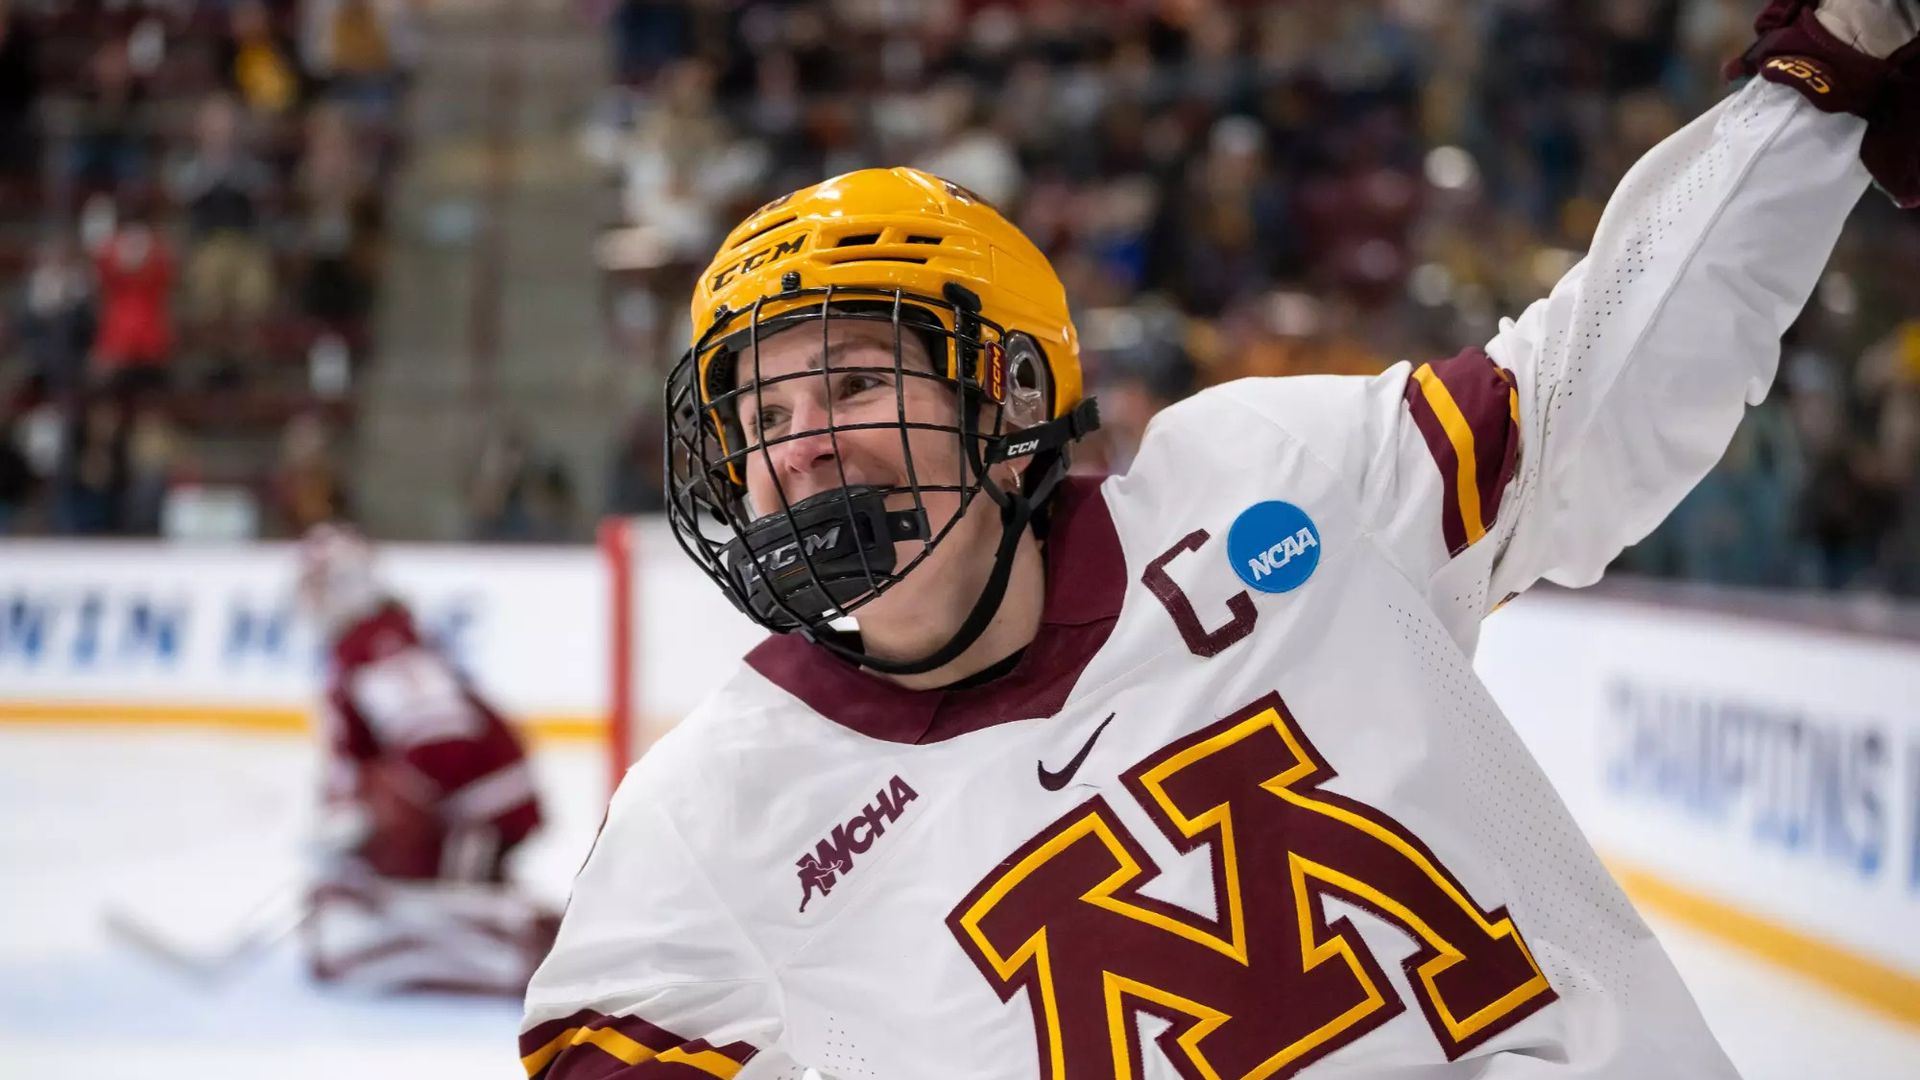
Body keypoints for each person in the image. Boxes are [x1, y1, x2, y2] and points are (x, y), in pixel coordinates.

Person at [523, 3, 1918, 1076]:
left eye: (852, 384)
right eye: (756, 420)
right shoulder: (714, 811)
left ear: (1011, 395)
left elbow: (1586, 396)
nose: (800, 447)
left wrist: (1812, 96)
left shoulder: (1274, 487)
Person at [297, 523, 556, 995]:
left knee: (413, 876)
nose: (309, 600)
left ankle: (523, 946)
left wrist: (375, 815)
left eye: (318, 585)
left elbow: (443, 746)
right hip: (487, 805)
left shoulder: (380, 646)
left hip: (483, 812)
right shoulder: (371, 642)